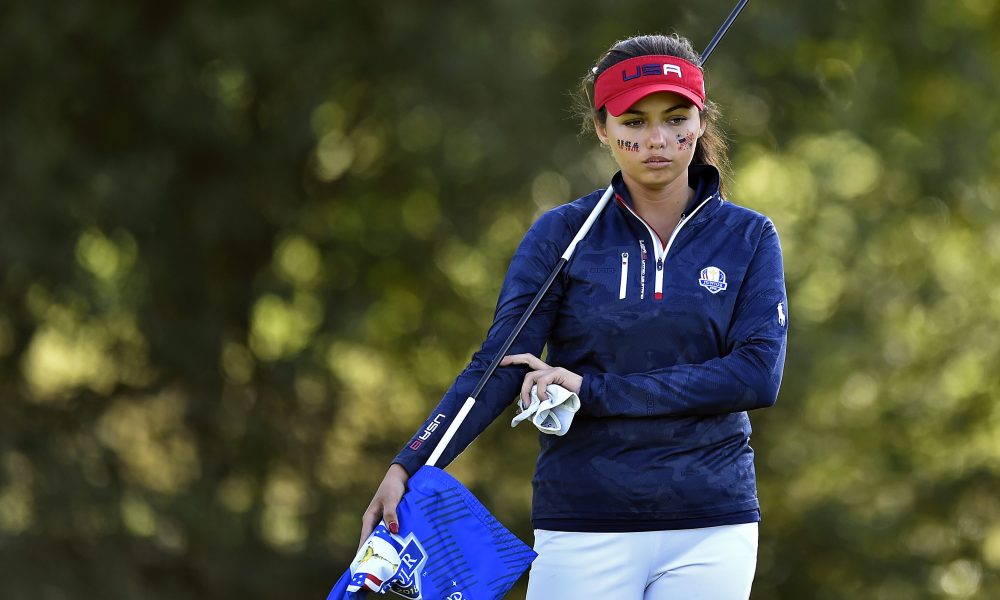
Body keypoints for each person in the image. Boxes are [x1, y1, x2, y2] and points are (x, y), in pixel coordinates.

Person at [359, 33, 787, 599]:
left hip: (711, 525)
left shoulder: (749, 237)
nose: (657, 139)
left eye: (675, 117)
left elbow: (756, 375)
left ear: (701, 121)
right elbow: (501, 364)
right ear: (602, 126)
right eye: (633, 122)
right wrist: (410, 464)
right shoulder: (564, 234)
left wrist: (594, 391)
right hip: (584, 522)